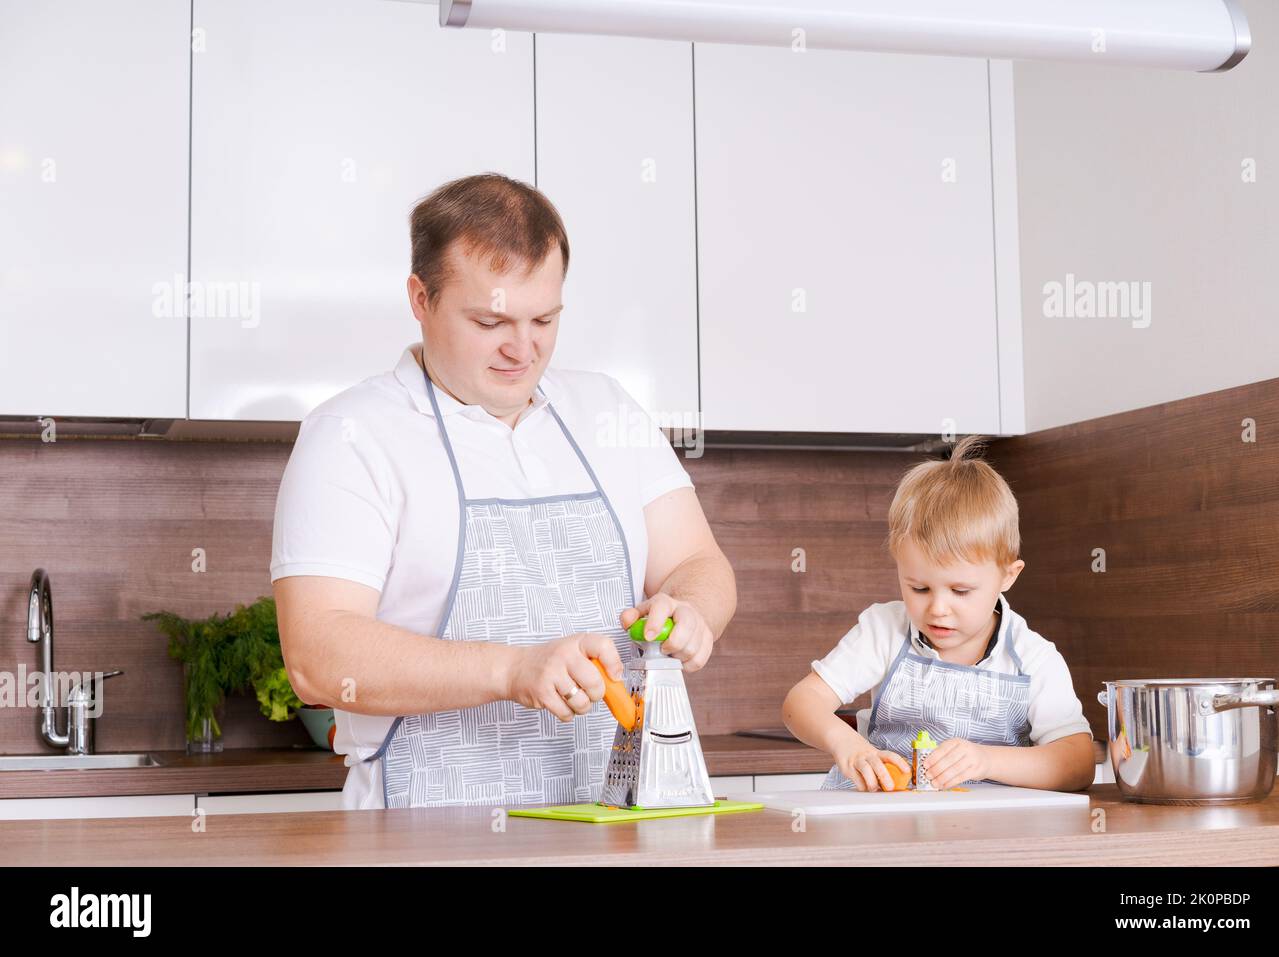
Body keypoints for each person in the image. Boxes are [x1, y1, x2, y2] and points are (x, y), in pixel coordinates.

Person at [270, 173, 737, 809]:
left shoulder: (606, 408)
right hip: (425, 835)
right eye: (490, 321)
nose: (523, 348)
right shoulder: (352, 434)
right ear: (421, 298)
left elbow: (697, 564)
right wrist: (511, 671)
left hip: (621, 826)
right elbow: (318, 656)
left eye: (544, 317)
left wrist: (692, 610)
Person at [782, 435, 1095, 792]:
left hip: (989, 836)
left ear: (1008, 575)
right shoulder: (884, 630)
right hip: (883, 824)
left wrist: (987, 760)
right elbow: (800, 704)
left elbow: (1077, 763)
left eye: (960, 591)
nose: (938, 609)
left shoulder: (1033, 658)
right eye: (919, 588)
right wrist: (848, 744)